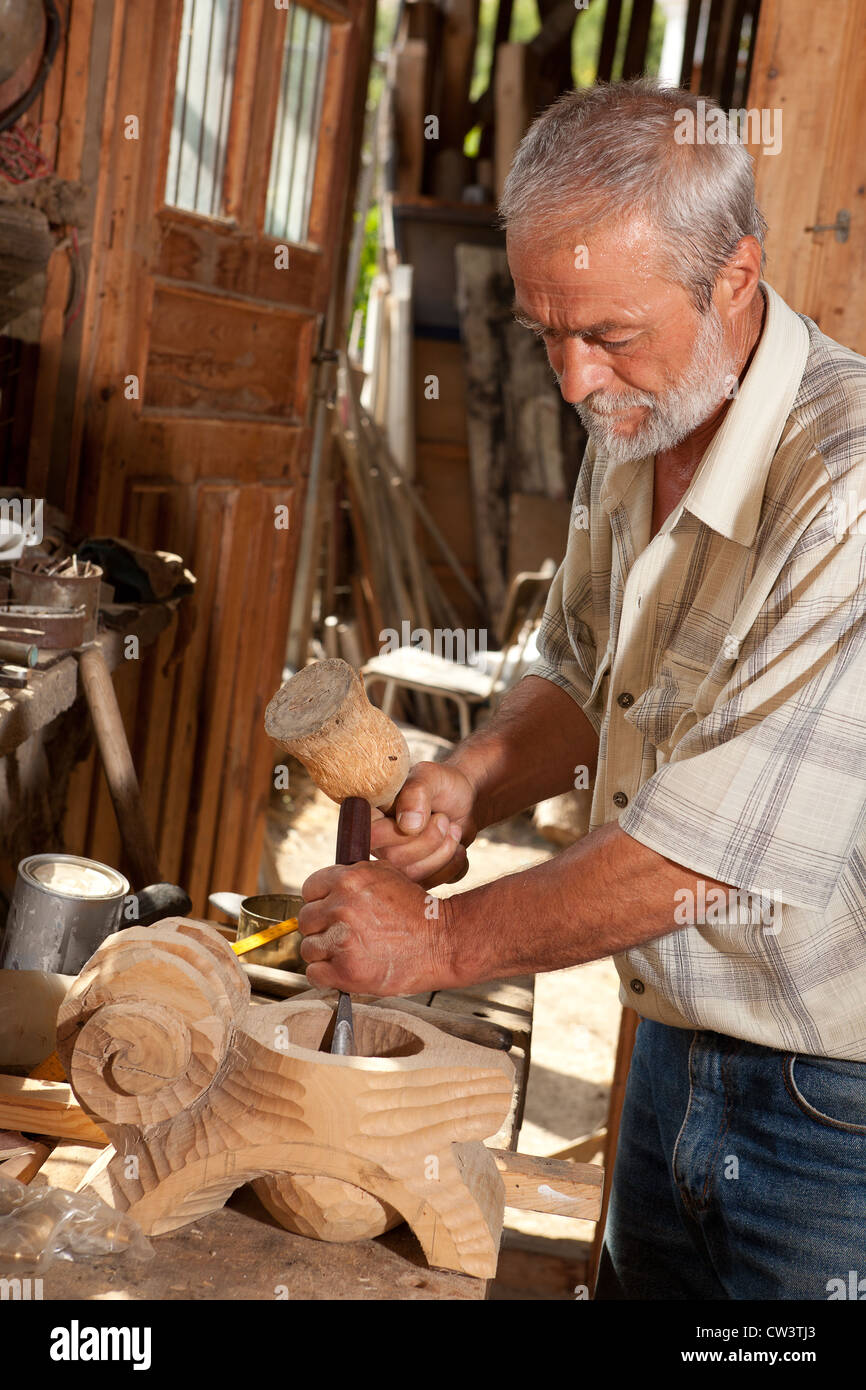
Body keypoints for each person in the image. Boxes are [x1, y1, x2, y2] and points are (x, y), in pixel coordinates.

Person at [297, 81, 866, 1300]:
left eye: (606, 332)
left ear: (734, 275)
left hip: (837, 1116)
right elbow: (575, 668)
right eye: (541, 331)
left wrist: (438, 941)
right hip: (673, 1048)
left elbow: (701, 857)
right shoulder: (646, 415)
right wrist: (468, 781)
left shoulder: (847, 488)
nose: (572, 380)